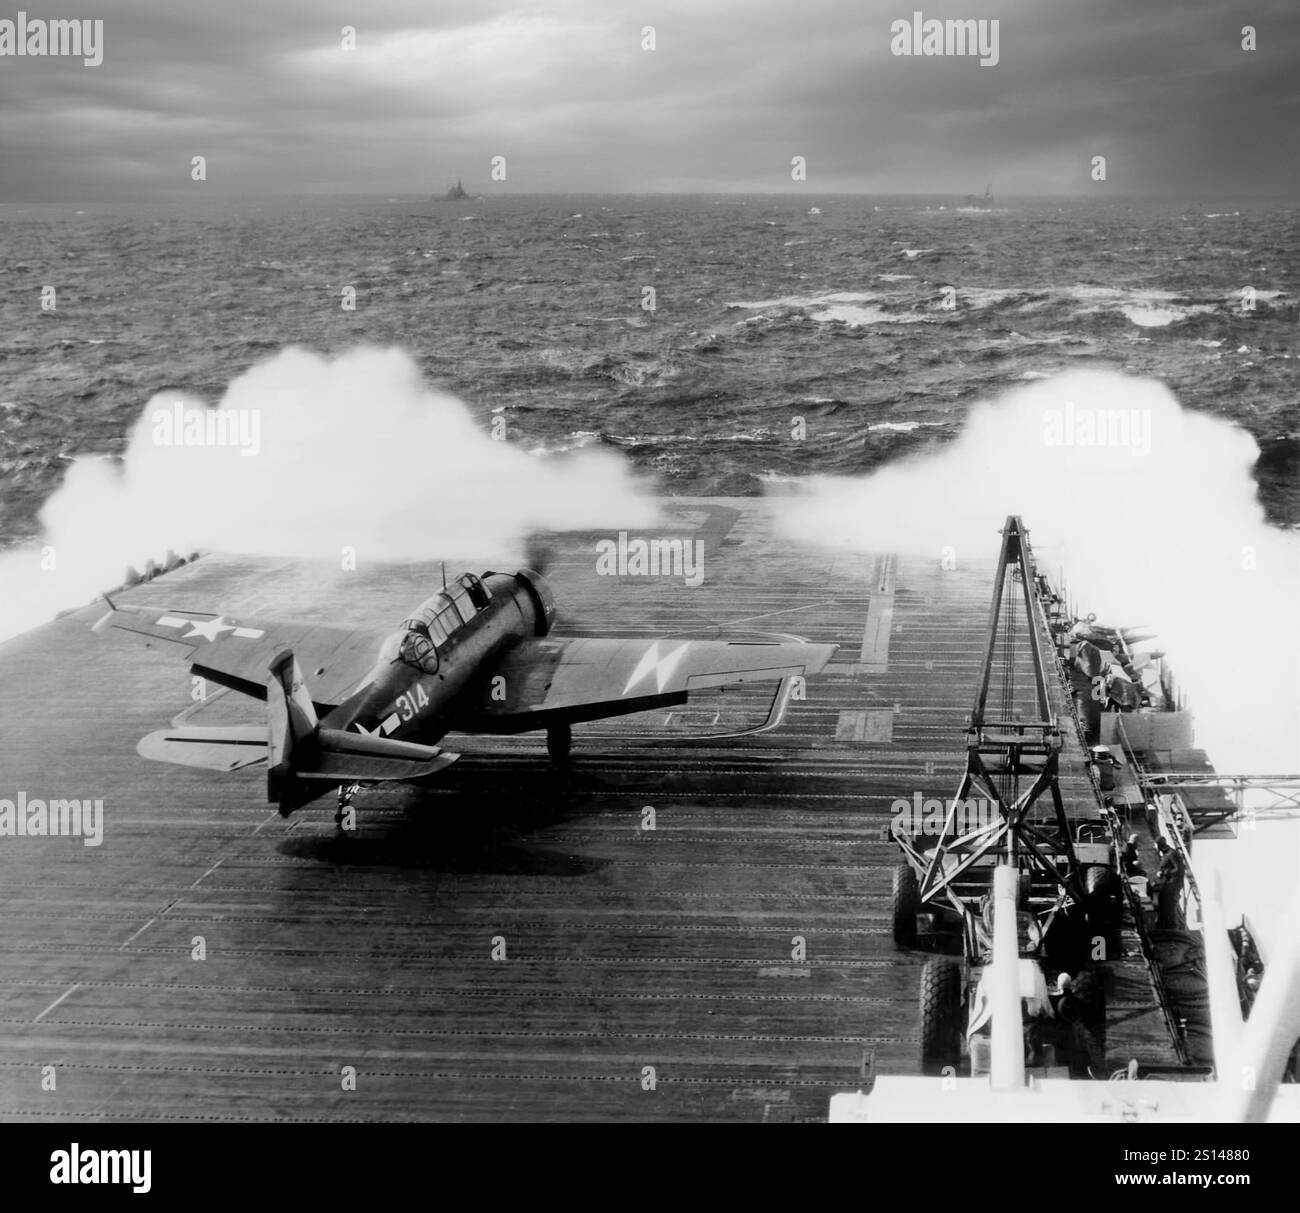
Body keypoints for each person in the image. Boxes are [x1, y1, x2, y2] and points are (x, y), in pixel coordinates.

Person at [1149, 837, 1185, 929]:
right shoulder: (1166, 854)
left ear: (1159, 845)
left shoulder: (1171, 853)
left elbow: (1178, 869)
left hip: (1173, 884)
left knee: (1169, 905)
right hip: (1168, 883)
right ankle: (1163, 924)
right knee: (1162, 900)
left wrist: (1164, 872)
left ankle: (1172, 926)